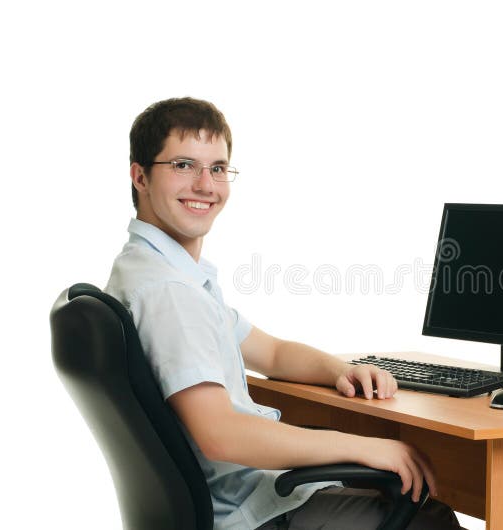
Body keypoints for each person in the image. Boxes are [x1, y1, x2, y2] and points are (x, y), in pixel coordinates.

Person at [105, 97, 464, 530]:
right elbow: (220, 434)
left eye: (218, 168)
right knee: (429, 520)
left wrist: (338, 369)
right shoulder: (170, 293)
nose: (206, 184)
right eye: (184, 165)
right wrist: (366, 447)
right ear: (139, 175)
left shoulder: (156, 270)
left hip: (234, 499)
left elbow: (270, 353)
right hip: (248, 513)